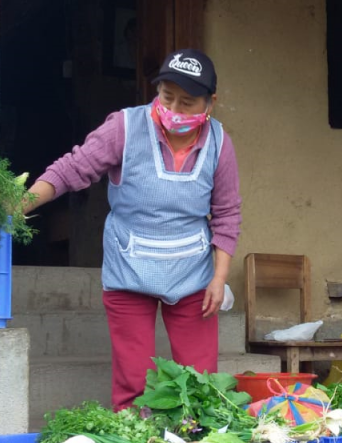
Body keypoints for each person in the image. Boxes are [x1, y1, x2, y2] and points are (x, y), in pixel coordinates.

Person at [23, 49, 241, 409]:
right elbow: (72, 169)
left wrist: (219, 278)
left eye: (187, 102)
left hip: (193, 272)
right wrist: (20, 204)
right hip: (130, 265)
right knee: (134, 381)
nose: (175, 109)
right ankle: (134, 437)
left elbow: (227, 213)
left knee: (200, 382)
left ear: (210, 103)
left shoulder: (219, 143)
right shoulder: (124, 127)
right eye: (167, 97)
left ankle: (195, 439)